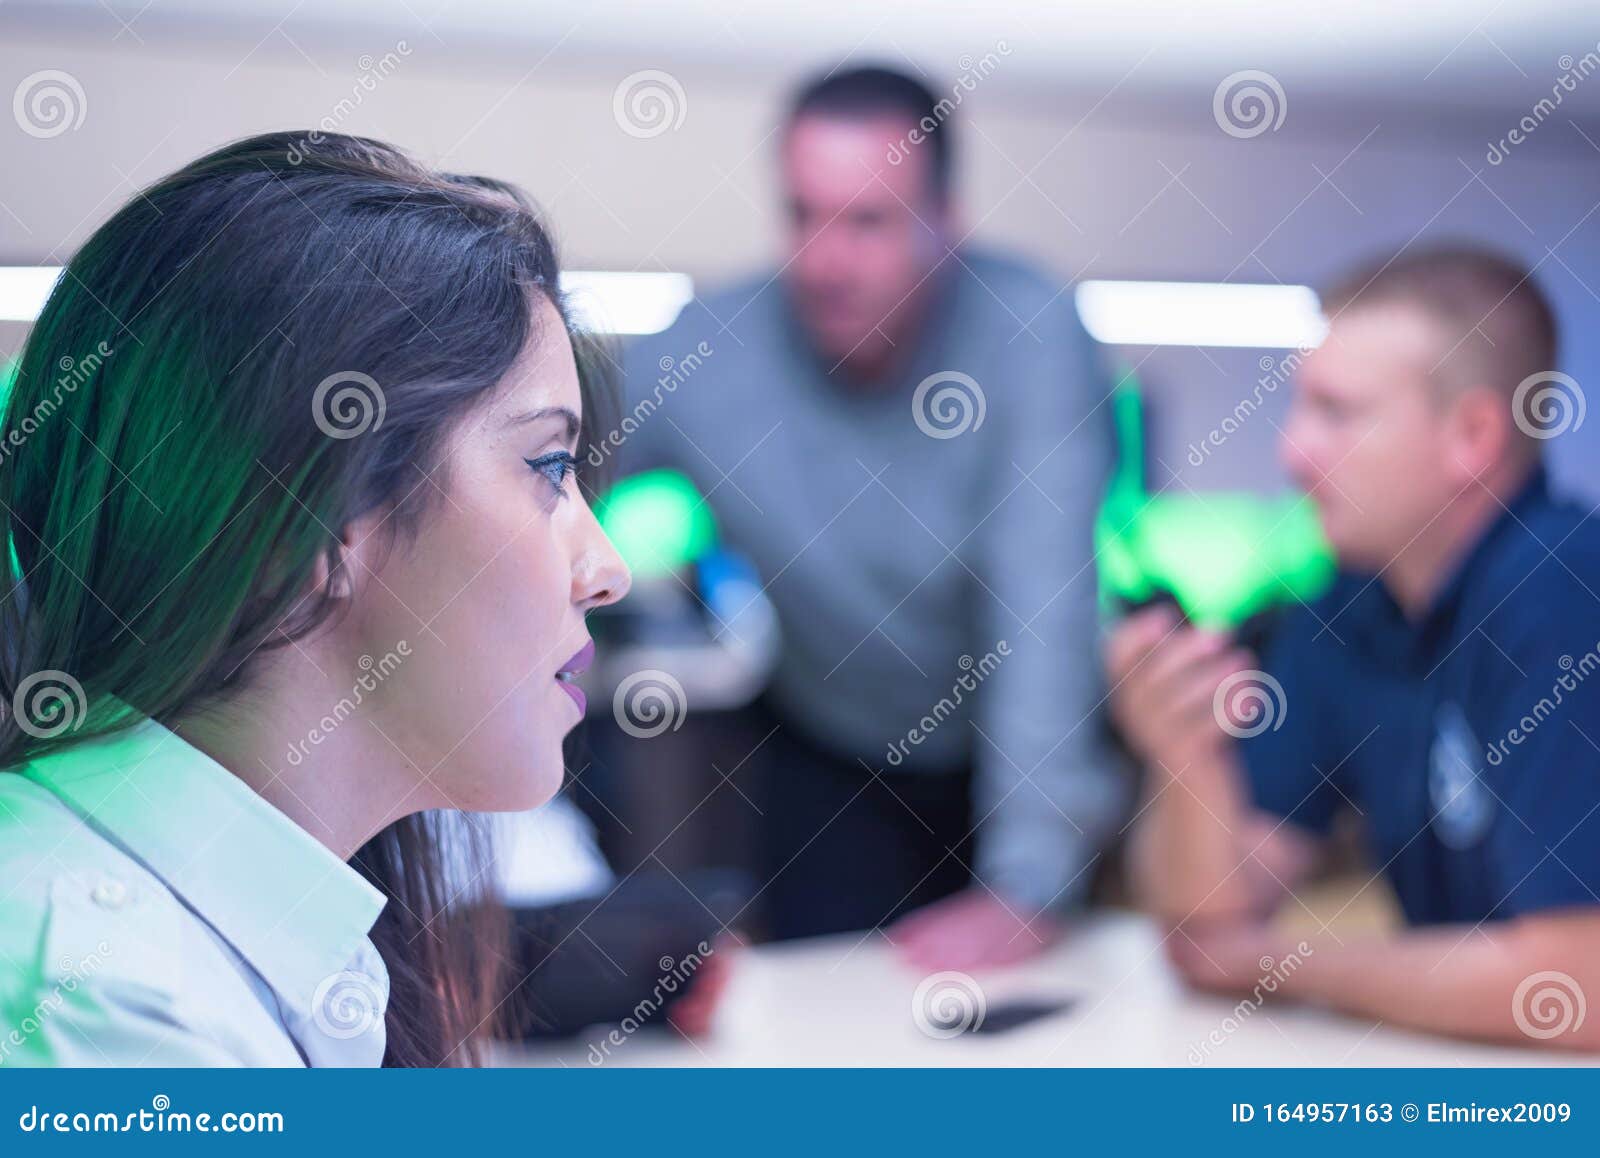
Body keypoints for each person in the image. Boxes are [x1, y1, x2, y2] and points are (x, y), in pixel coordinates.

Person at [0, 133, 631, 1066]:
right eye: (548, 467)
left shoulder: (252, 934)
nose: (608, 567)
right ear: (315, 522)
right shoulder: (109, 1014)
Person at [616, 66, 1123, 969]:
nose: (825, 262)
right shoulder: (705, 351)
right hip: (830, 755)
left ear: (947, 224)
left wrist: (1029, 886)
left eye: (869, 221)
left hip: (1007, 758)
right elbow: (546, 456)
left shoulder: (1031, 335)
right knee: (833, 1014)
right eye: (803, 215)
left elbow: (1043, 610)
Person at [1108, 244, 1600, 1050]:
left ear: (1471, 436)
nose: (1291, 453)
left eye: (1336, 413)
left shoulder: (1565, 595)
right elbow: (1212, 918)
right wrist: (1186, 751)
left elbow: (1576, 985)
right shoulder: (1350, 605)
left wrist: (1285, 964)